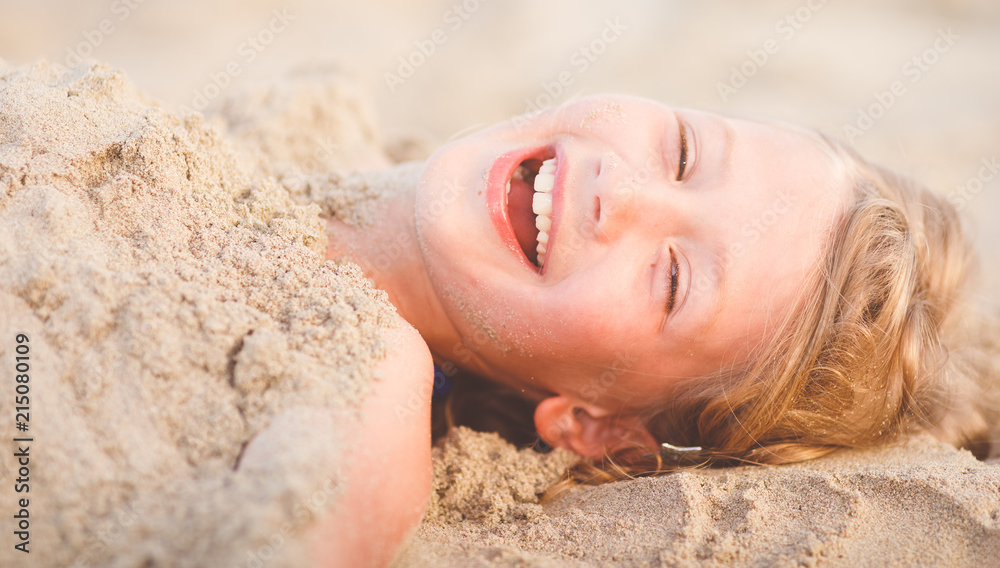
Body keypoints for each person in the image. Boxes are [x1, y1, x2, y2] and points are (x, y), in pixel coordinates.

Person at [319, 93, 997, 558]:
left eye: (672, 280)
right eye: (682, 151)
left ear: (596, 424)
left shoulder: (374, 398)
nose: (620, 188)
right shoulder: (323, 120)